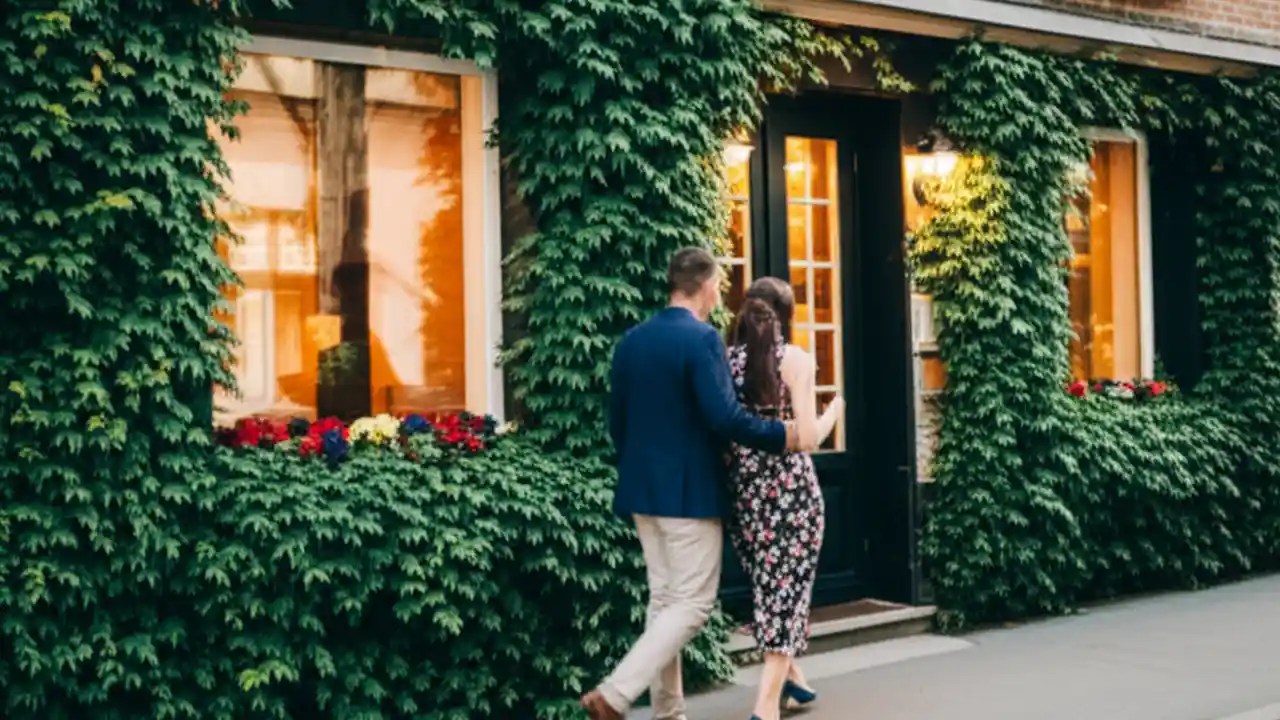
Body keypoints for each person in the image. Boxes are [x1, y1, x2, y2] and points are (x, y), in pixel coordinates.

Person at [579, 248, 798, 720]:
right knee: (694, 604)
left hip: (642, 491)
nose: (720, 291)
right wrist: (782, 435)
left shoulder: (632, 341)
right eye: (719, 282)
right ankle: (616, 694)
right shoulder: (701, 340)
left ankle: (669, 713)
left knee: (664, 602)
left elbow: (618, 423)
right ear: (704, 283)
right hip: (688, 493)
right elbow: (723, 416)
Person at [726, 277, 843, 720]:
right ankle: (765, 706)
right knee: (788, 594)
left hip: (744, 497)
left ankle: (796, 681)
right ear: (786, 317)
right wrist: (834, 410)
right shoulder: (794, 359)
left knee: (768, 589)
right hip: (792, 496)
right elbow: (809, 438)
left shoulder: (725, 361)